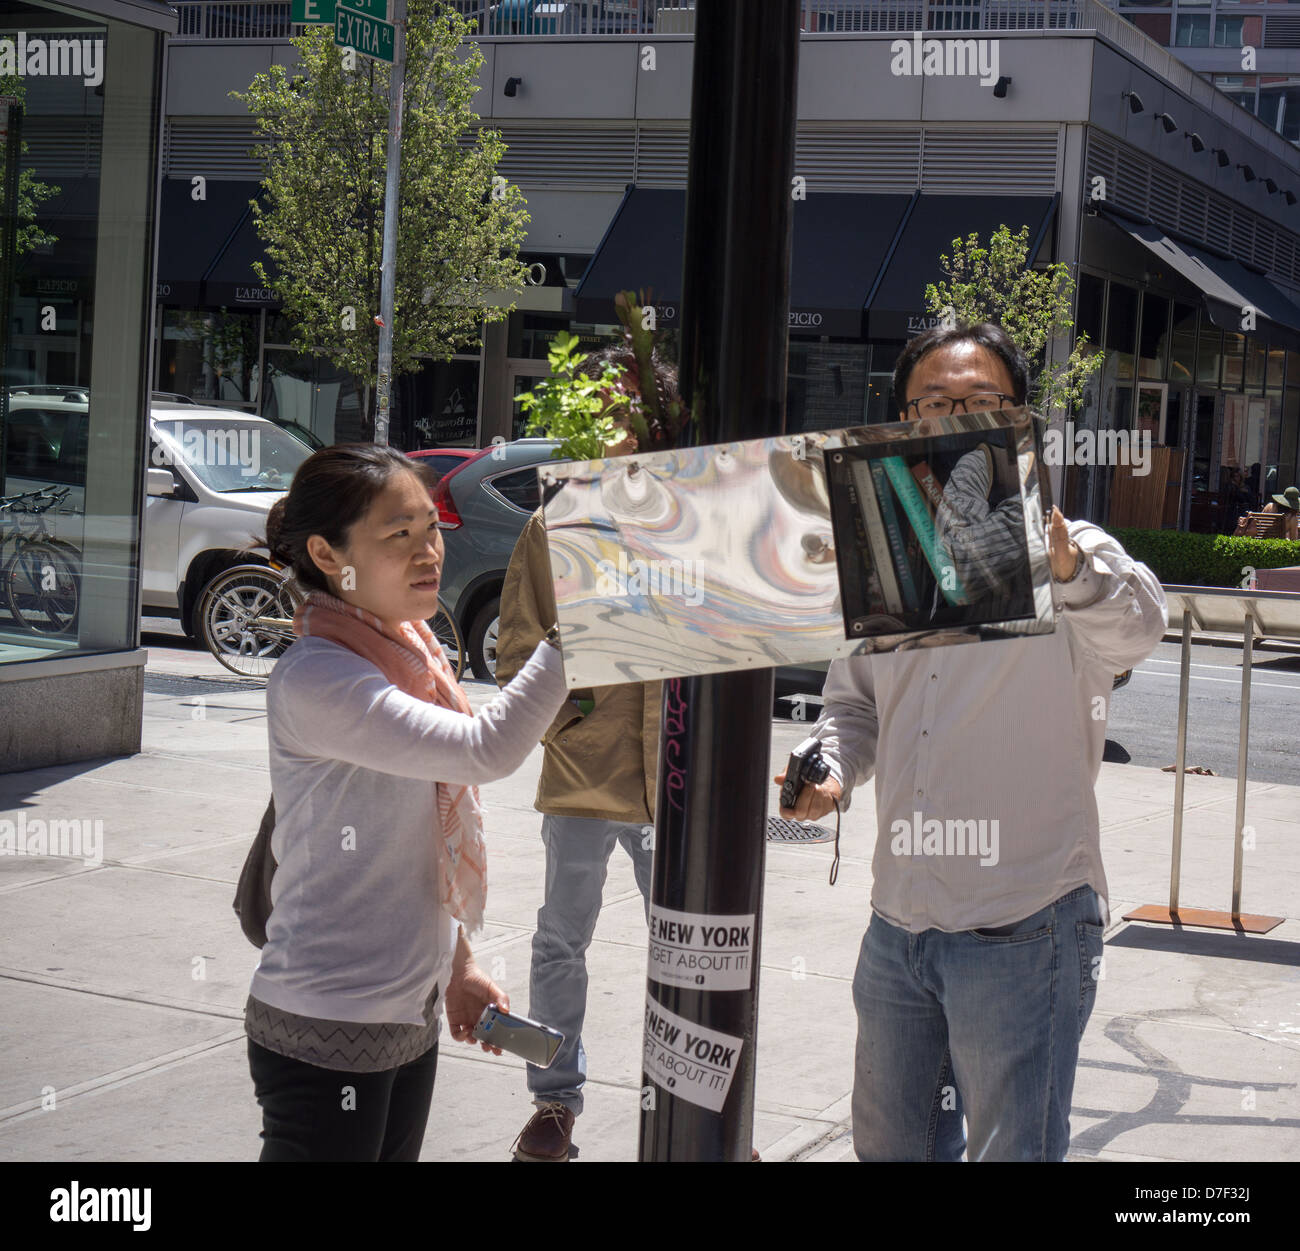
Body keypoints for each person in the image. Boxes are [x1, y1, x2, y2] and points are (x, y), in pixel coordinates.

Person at [777, 321, 1168, 1162]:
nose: (956, 415)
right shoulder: (882, 567)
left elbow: (1139, 629)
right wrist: (832, 772)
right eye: (934, 402)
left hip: (1023, 930)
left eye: (980, 400)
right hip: (897, 929)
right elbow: (854, 708)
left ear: (1019, 418)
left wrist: (1067, 573)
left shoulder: (1076, 552)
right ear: (902, 422)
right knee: (892, 1147)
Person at [245, 443, 572, 1162]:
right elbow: (485, 746)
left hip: (407, 1016)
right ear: (329, 555)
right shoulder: (319, 678)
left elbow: (418, 834)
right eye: (400, 535)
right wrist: (581, 626)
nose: (430, 551)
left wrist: (456, 965)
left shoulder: (407, 647)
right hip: (324, 1027)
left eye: (433, 528)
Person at [495, 343, 683, 1163]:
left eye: (631, 400)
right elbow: (517, 650)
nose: (618, 418)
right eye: (602, 401)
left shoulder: (695, 520)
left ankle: (705, 1110)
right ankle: (552, 1104)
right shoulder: (556, 524)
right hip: (583, 773)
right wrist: (572, 709)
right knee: (558, 941)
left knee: (693, 948)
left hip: (678, 780)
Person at [1234, 483, 1300, 540]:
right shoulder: (1292, 518)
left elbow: (1260, 522)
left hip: (1260, 539)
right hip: (1276, 544)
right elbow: (1293, 540)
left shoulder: (1270, 506)